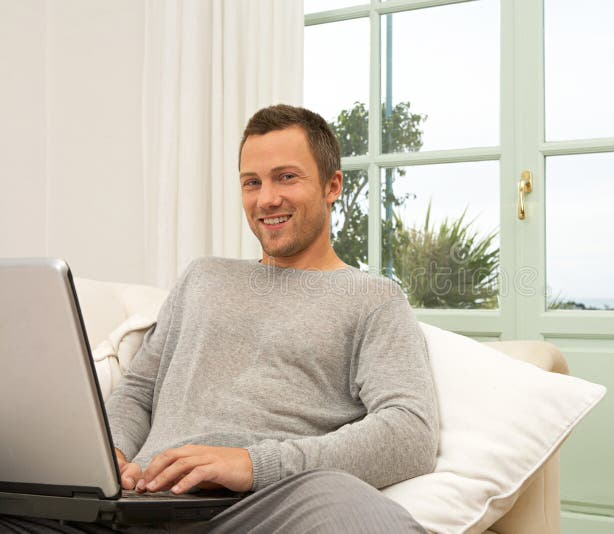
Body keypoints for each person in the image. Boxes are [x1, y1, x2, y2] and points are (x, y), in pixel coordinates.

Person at [0, 105, 439, 533]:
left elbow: (410, 431)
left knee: (348, 504)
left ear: (332, 185)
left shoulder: (373, 299)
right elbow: (138, 391)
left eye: (286, 177)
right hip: (140, 503)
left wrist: (253, 464)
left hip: (257, 505)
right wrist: (108, 454)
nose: (267, 198)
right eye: (252, 182)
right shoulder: (203, 277)